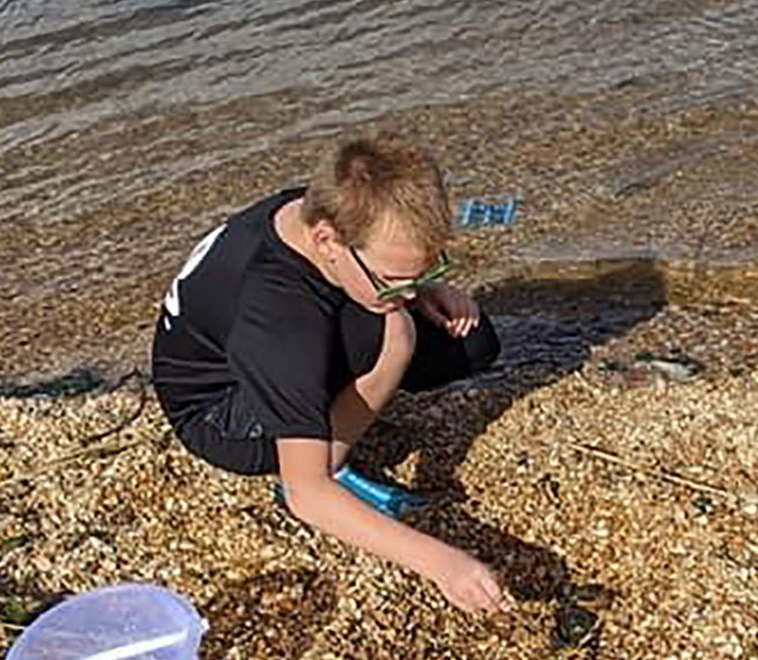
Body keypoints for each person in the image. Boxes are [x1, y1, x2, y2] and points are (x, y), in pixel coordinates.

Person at [151, 137, 514, 614]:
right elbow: (307, 496)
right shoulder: (277, 319)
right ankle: (334, 460)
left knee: (470, 342)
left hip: (274, 346)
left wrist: (422, 285)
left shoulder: (326, 206)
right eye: (393, 278)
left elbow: (384, 266)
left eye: (420, 271)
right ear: (328, 241)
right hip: (223, 415)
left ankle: (373, 337)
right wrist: (444, 564)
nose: (406, 289)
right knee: (395, 334)